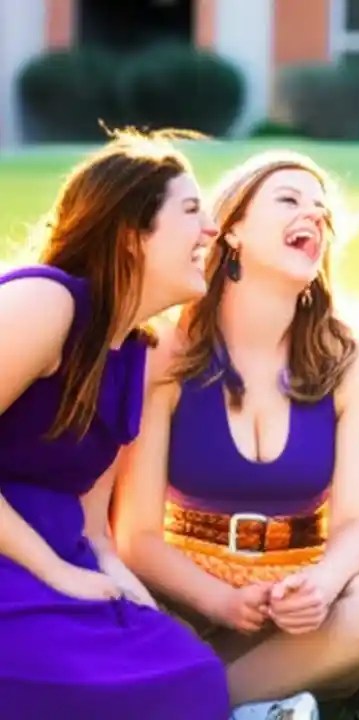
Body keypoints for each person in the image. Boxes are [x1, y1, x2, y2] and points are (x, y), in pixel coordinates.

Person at [112, 150, 359, 720]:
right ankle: (254, 698)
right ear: (230, 229)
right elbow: (135, 535)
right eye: (289, 200)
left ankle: (202, 700)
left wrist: (323, 585)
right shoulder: (165, 352)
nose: (312, 217)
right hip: (183, 596)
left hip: (297, 607)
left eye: (322, 212)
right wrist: (220, 599)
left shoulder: (351, 359)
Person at [0, 130, 231, 718]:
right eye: (190, 210)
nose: (211, 229)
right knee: (69, 685)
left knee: (194, 678)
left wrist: (124, 587)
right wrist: (55, 572)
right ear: (132, 234)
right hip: (22, 562)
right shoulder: (47, 304)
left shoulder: (134, 356)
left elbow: (95, 526)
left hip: (58, 564)